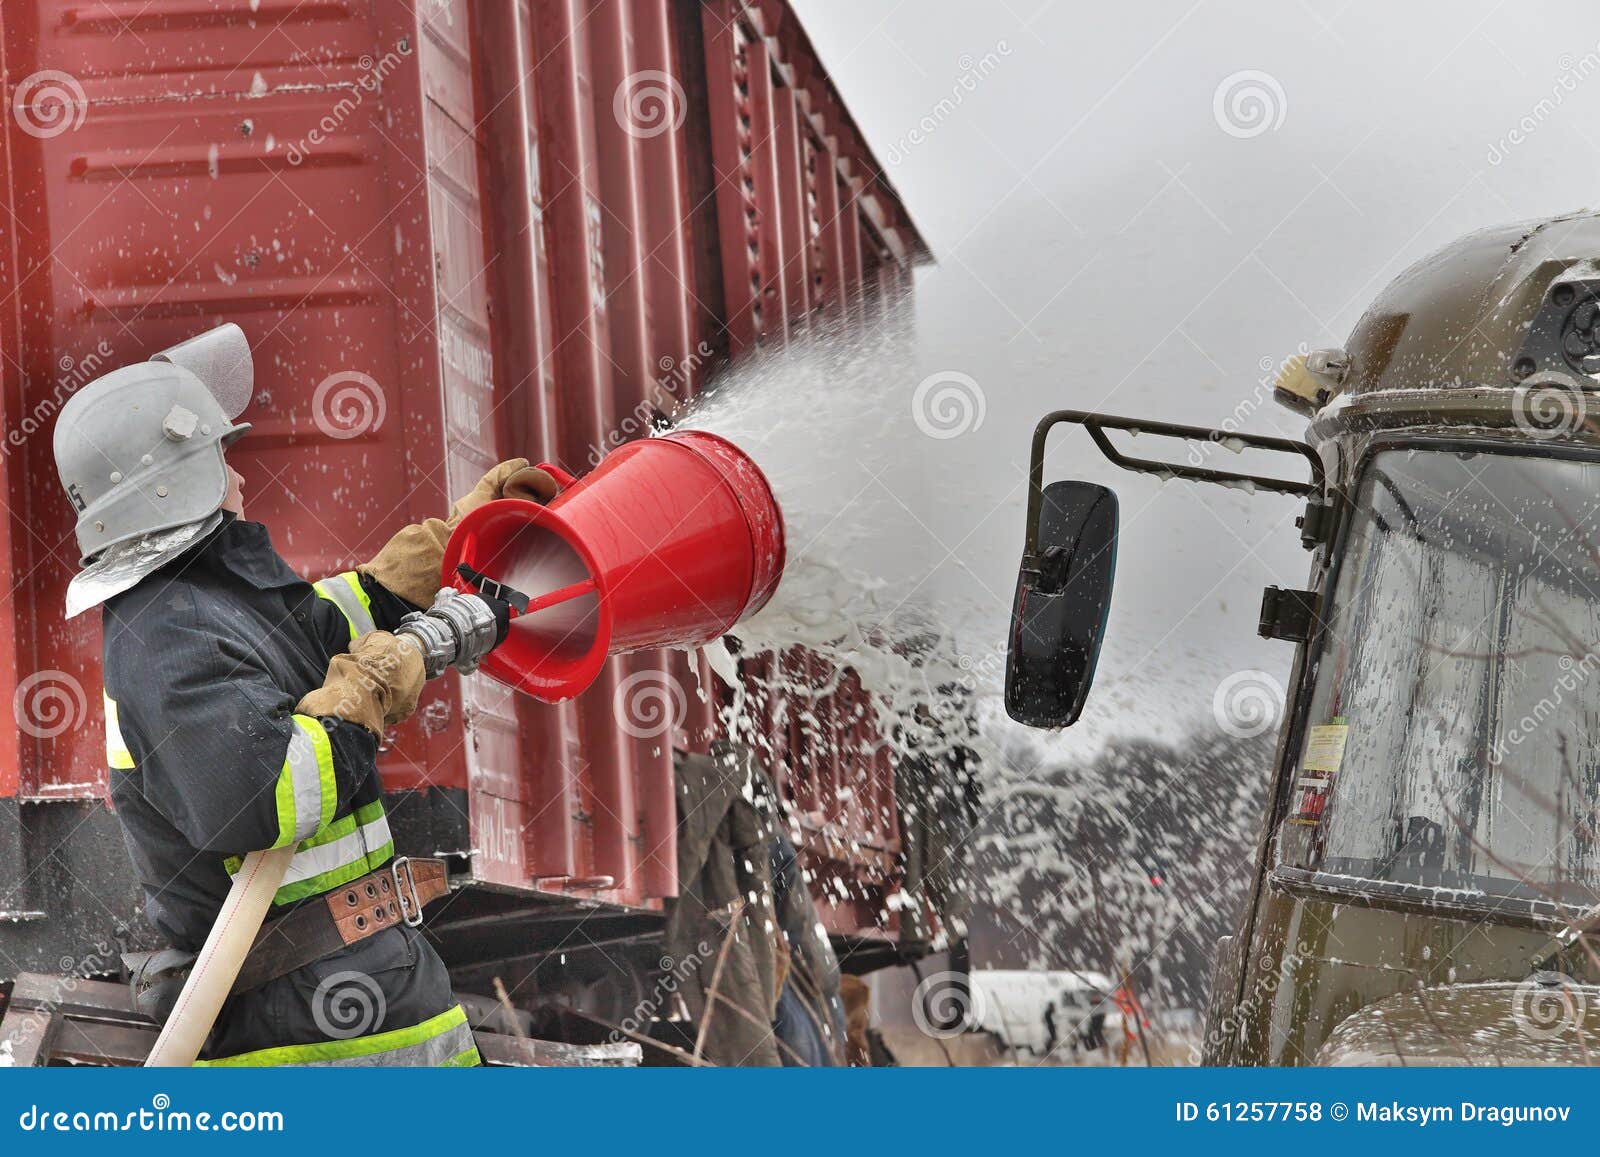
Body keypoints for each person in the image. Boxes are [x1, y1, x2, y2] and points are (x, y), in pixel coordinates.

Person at [52, 328, 554, 1065]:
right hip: (303, 1035)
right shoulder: (166, 636)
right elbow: (267, 796)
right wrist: (396, 666)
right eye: (220, 456)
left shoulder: (213, 595)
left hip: (365, 991)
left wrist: (457, 546)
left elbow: (320, 633)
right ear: (175, 480)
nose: (240, 474)